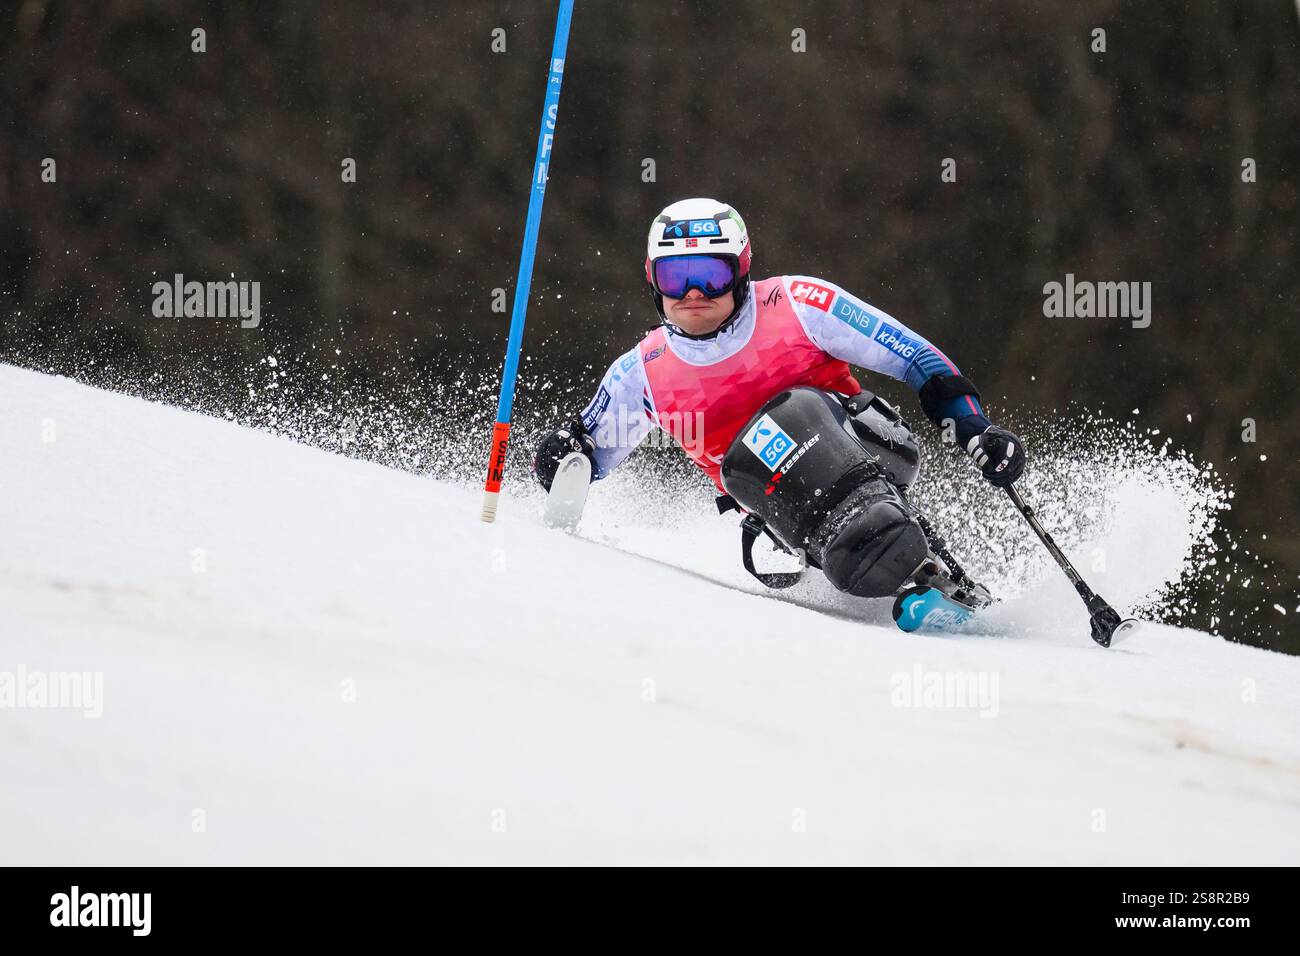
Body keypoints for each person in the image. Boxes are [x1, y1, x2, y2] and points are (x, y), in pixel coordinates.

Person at [533, 197, 1024, 601]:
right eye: (675, 278)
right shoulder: (642, 372)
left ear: (740, 271)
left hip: (868, 448)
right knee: (759, 447)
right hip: (786, 513)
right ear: (652, 282)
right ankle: (884, 579)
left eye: (711, 274)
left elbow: (915, 357)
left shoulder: (798, 304)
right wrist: (560, 456)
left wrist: (973, 426)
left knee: (795, 416)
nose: (694, 293)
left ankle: (925, 572)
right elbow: (584, 456)